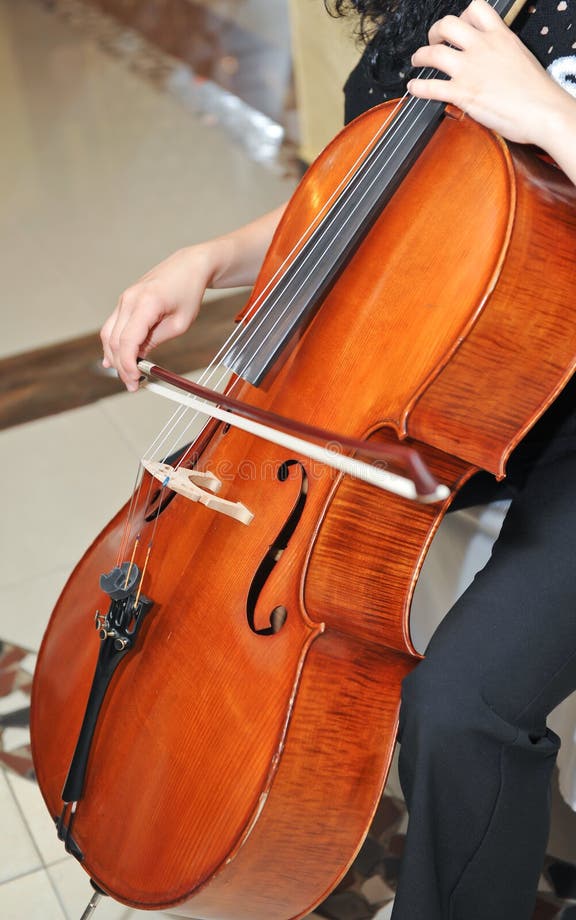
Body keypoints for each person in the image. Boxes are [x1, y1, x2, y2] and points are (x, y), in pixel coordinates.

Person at [100, 2, 576, 917]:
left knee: (461, 708)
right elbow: (369, 184)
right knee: (202, 541)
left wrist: (552, 116)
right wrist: (210, 258)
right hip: (459, 376)